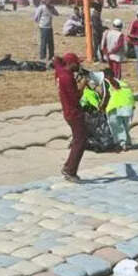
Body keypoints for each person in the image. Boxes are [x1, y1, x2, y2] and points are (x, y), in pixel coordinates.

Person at [54, 53, 85, 182]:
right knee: (80, 141)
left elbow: (56, 61)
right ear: (71, 64)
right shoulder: (67, 78)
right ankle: (70, 170)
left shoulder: (61, 72)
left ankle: (68, 166)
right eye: (77, 63)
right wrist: (83, 84)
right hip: (74, 113)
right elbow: (76, 97)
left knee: (78, 139)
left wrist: (59, 58)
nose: (79, 65)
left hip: (68, 112)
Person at [102, 72, 136, 150]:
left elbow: (105, 96)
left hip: (115, 107)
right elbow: (129, 94)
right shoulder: (123, 83)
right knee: (125, 126)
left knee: (117, 127)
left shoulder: (106, 83)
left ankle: (122, 143)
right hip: (129, 106)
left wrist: (102, 106)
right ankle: (127, 142)